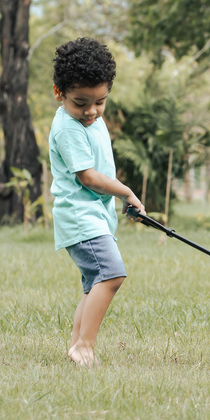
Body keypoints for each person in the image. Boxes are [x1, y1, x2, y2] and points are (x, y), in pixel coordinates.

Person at [49, 37, 145, 367]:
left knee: (95, 284)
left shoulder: (91, 120)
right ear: (58, 93)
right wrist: (126, 192)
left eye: (100, 102)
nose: (91, 111)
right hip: (79, 215)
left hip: (95, 214)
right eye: (81, 103)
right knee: (112, 275)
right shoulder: (68, 128)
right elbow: (88, 177)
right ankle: (84, 346)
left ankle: (77, 345)